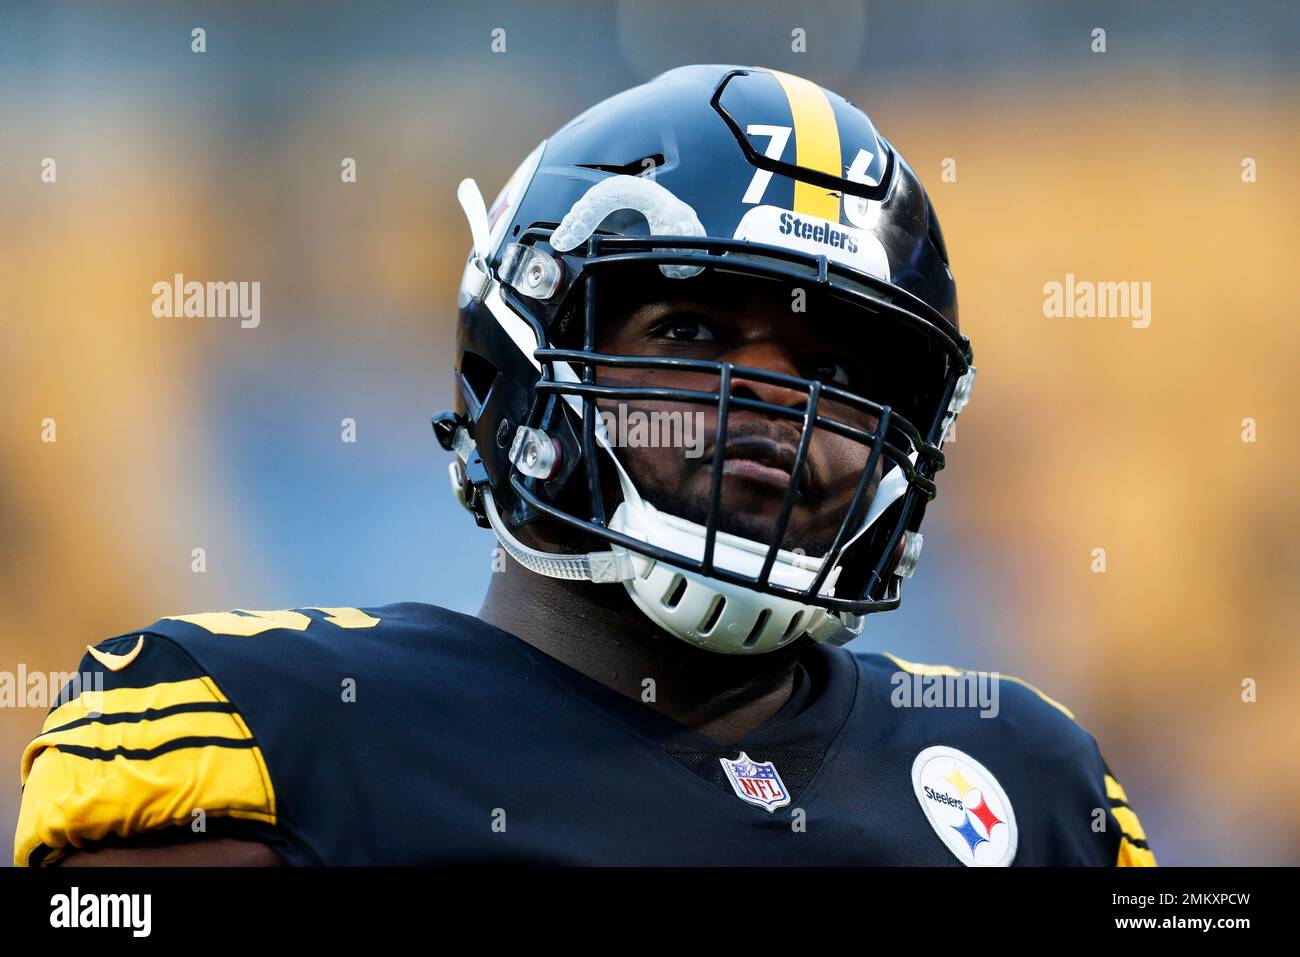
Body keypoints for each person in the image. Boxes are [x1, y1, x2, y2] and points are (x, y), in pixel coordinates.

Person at [14, 64, 1154, 867]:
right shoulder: (263, 737)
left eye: (840, 368)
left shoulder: (1040, 786)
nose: (776, 399)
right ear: (527, 362)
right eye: (694, 334)